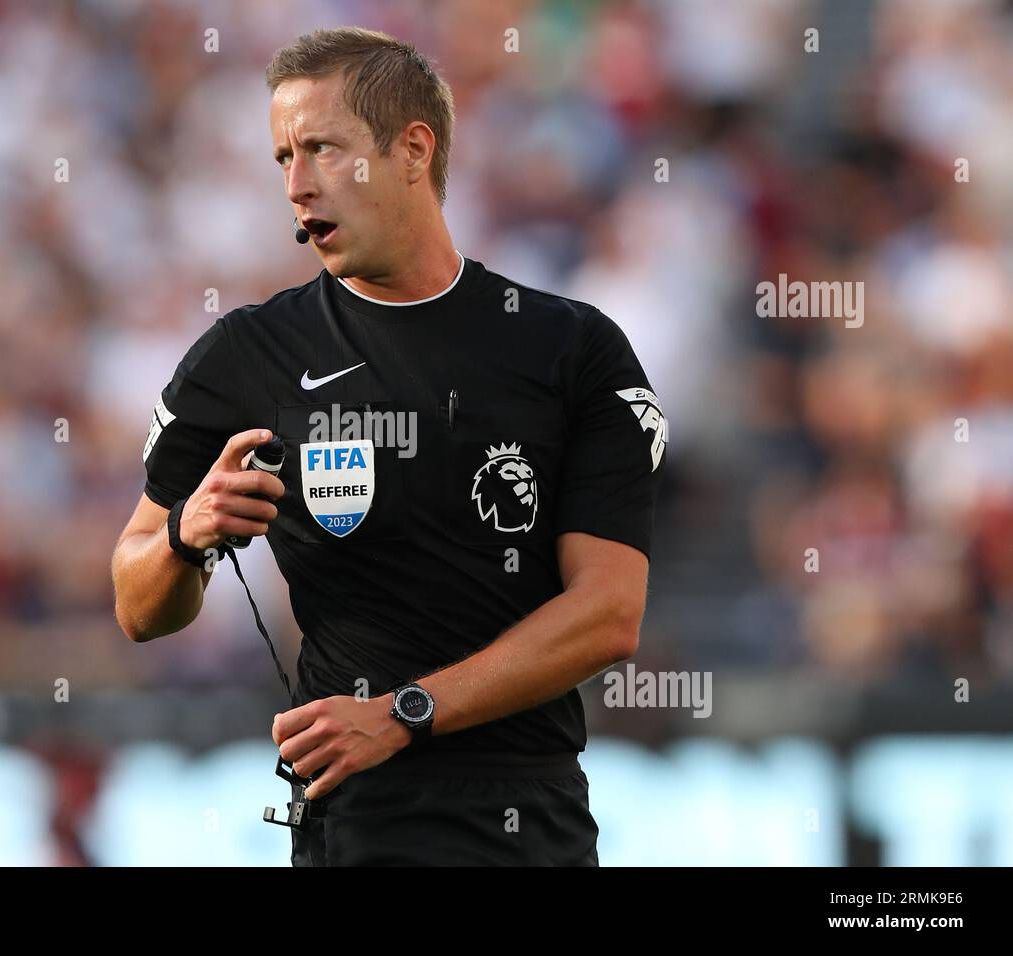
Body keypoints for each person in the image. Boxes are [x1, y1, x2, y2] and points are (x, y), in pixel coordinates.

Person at [110, 26, 667, 866]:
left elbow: (608, 616)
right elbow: (137, 603)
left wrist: (404, 712)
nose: (296, 186)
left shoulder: (569, 349)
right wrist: (188, 535)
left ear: (412, 150)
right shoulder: (248, 356)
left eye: (322, 150)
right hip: (355, 827)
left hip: (529, 820)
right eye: (282, 159)